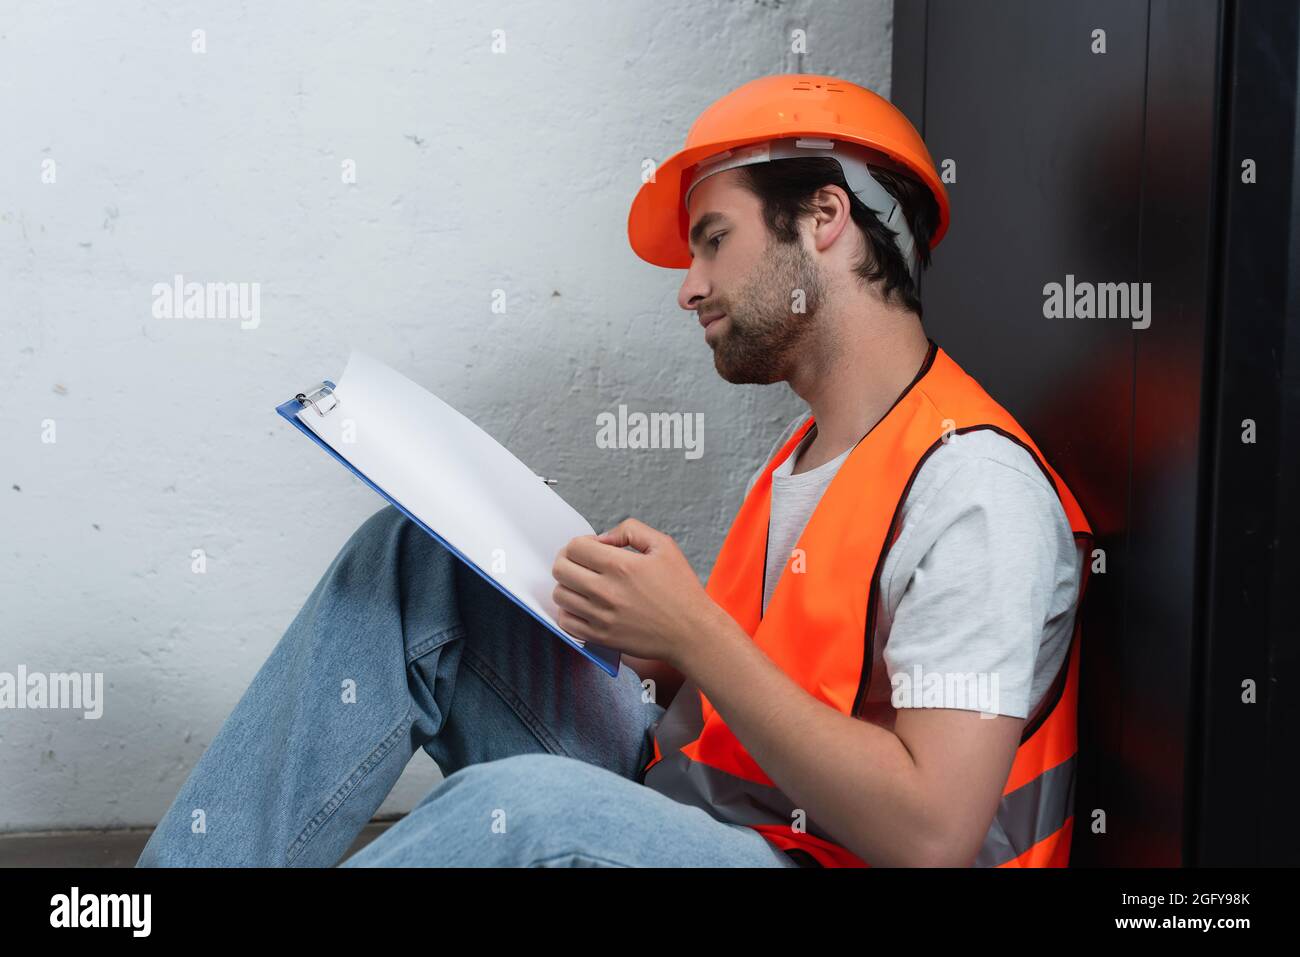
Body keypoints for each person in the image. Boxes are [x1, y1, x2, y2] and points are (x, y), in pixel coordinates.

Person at [137, 73, 1092, 868]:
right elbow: (779, 699)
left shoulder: (975, 488)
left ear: (825, 219)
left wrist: (697, 632)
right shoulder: (811, 458)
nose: (689, 286)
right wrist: (638, 628)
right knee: (417, 562)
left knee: (527, 810)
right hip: (722, 813)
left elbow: (931, 834)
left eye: (714, 239)